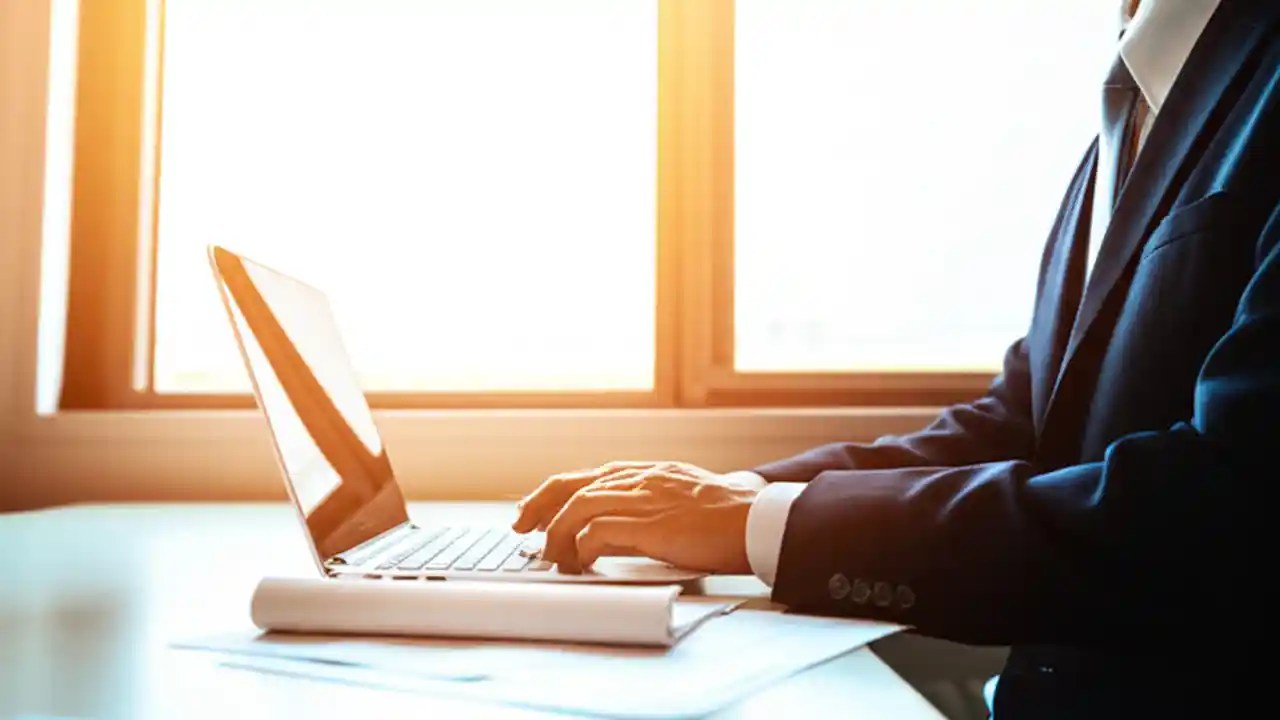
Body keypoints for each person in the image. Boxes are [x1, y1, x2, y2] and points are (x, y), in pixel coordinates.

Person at [515, 0, 1278, 715]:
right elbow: (1024, 420)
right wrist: (728, 496)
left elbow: (1223, 505)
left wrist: (764, 524)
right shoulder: (1148, 83)